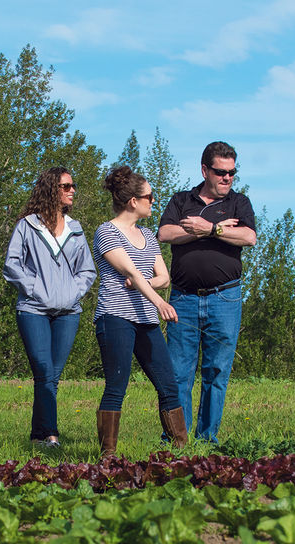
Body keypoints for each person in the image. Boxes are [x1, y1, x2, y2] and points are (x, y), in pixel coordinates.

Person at [158, 141, 256, 444]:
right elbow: (164, 233)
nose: (226, 178)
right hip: (184, 298)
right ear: (205, 170)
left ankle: (207, 441)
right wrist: (198, 229)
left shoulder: (240, 203)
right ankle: (177, 440)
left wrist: (210, 229)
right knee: (178, 374)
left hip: (225, 299)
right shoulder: (181, 200)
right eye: (220, 172)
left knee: (216, 373)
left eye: (231, 173)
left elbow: (249, 237)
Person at [94, 166, 187, 455]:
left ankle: (181, 451)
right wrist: (159, 301)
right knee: (117, 385)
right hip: (115, 317)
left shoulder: (147, 234)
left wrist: (143, 284)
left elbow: (164, 277)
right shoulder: (106, 232)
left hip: (145, 319)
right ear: (133, 200)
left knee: (168, 385)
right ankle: (108, 455)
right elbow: (130, 271)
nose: (153, 201)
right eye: (149, 196)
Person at [2, 167, 97, 449]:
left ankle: (37, 435)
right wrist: (34, 288)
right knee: (43, 371)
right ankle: (52, 435)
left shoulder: (76, 230)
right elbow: (12, 264)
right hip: (33, 310)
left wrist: (71, 293)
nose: (72, 191)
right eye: (66, 186)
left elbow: (88, 271)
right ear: (50, 189)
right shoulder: (27, 226)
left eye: (73, 186)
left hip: (68, 313)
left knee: (51, 376)